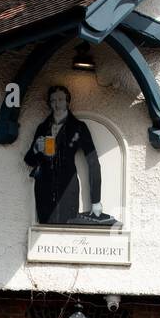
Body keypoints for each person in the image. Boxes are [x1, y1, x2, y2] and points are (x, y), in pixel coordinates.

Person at [24, 85, 103, 224]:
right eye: (53, 100)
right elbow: (29, 160)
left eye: (61, 99)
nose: (57, 104)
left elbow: (93, 162)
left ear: (67, 102)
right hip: (44, 188)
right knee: (45, 231)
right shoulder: (42, 128)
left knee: (68, 229)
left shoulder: (78, 127)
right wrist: (36, 149)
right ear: (49, 103)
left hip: (68, 186)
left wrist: (96, 200)